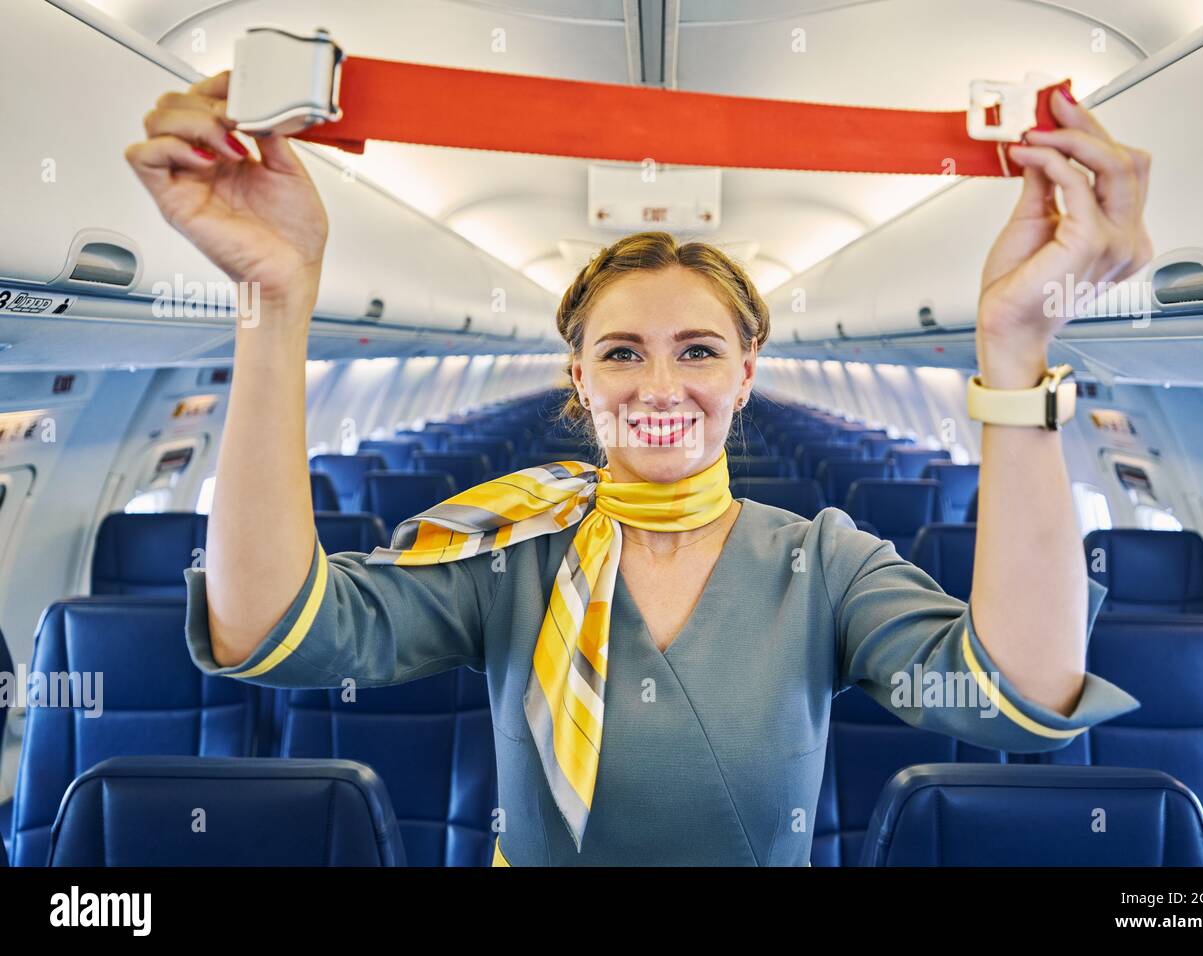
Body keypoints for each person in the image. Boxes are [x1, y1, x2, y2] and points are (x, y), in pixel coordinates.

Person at [126, 71, 1149, 866]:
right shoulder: (508, 551)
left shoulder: (823, 564)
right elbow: (271, 627)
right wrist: (272, 302)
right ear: (579, 377)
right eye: (622, 353)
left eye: (697, 350)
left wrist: (1015, 348)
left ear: (745, 374)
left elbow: (1019, 695)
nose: (660, 384)